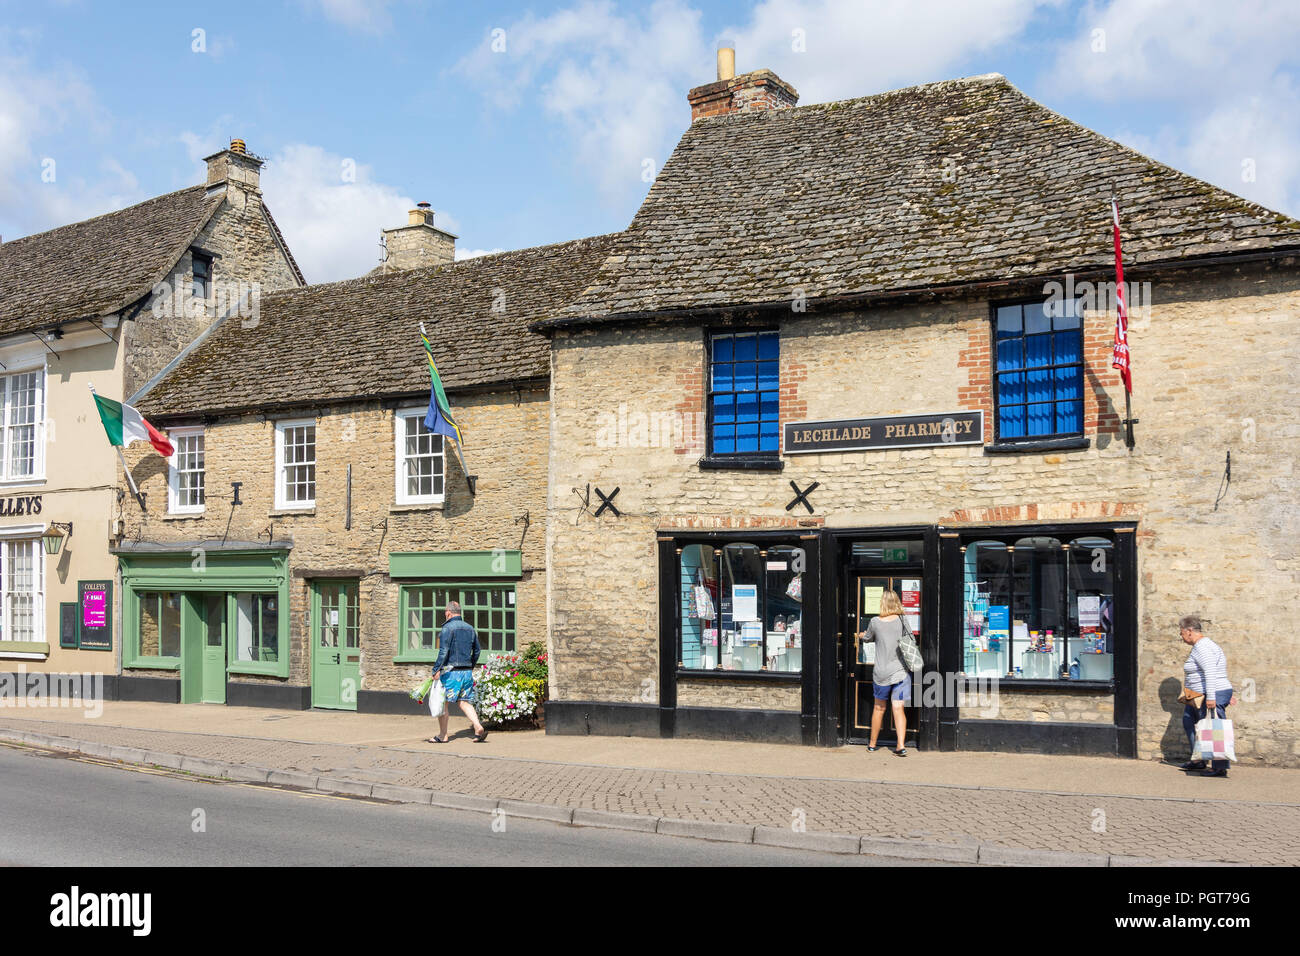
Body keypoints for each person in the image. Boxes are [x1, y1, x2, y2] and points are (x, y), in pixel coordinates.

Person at [857, 589, 914, 756]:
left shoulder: (875, 621)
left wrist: (861, 635)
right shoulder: (903, 620)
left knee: (879, 708)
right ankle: (900, 746)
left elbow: (867, 637)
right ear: (897, 602)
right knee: (898, 708)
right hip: (901, 672)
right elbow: (912, 641)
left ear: (882, 603)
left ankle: (872, 744)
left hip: (881, 672)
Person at [1178, 615, 1234, 777]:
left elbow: (1211, 672)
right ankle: (1199, 759)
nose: (1181, 637)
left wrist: (1211, 697)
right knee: (1189, 722)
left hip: (1209, 694)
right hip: (1197, 695)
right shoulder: (1201, 646)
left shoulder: (1203, 647)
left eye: (1181, 633)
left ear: (1189, 631)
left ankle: (1219, 767)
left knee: (1214, 730)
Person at [428, 600, 488, 744]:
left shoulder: (447, 628)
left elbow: (444, 651)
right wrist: (470, 665)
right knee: (464, 702)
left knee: (444, 703)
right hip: (466, 672)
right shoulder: (470, 628)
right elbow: (477, 651)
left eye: (445, 613)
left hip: (451, 673)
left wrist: (436, 669)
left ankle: (443, 735)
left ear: (448, 613)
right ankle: (478, 727)